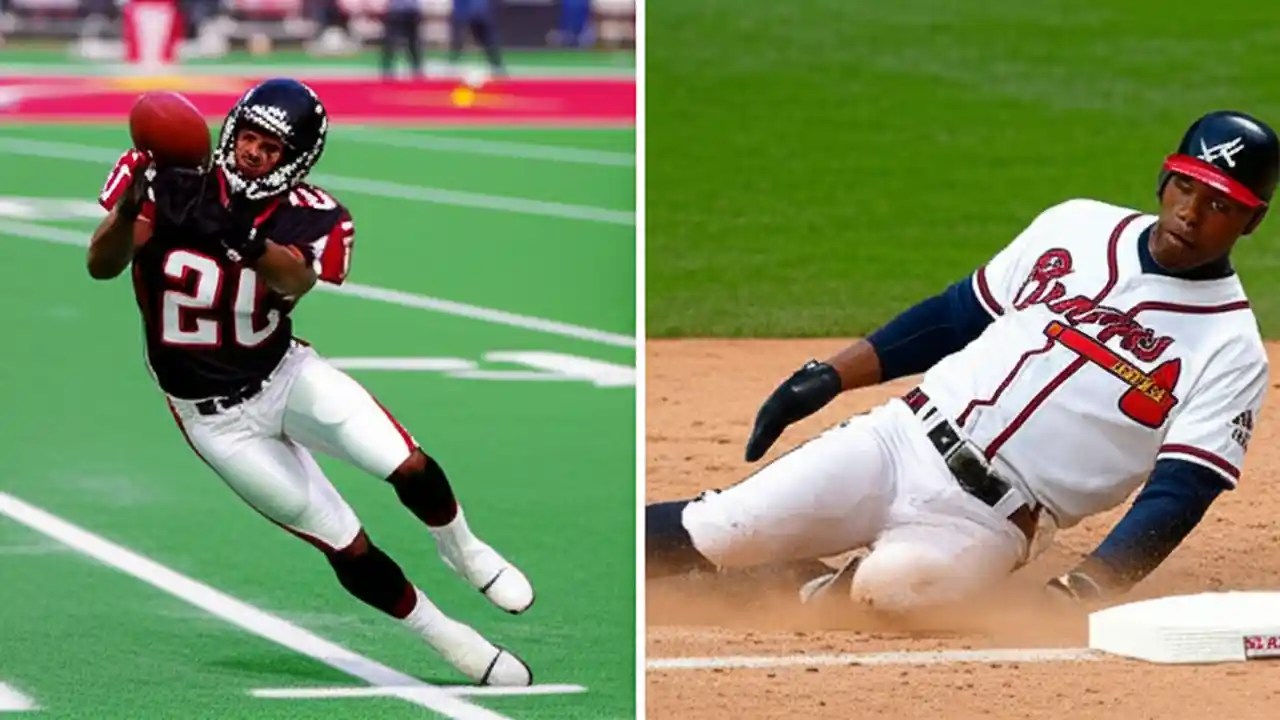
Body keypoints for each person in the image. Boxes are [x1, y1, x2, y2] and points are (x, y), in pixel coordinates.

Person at [647, 110, 1279, 611]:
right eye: (1185, 187)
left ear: (1252, 222)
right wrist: (831, 375)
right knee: (721, 527)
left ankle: (791, 582)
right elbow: (957, 314)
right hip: (901, 442)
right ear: (1164, 181)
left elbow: (1181, 490)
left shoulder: (1230, 348)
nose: (1191, 213)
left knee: (889, 595)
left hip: (993, 521)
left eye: (1220, 204)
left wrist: (1092, 586)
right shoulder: (1077, 226)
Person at [88, 78, 534, 685]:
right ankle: (451, 641)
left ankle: (463, 548)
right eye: (247, 137)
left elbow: (295, 282)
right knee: (347, 546)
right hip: (214, 420)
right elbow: (103, 265)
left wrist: (238, 233)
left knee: (409, 466)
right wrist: (127, 206)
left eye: (270, 147)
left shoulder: (314, 212)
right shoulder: (171, 182)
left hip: (284, 376)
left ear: (295, 160)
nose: (251, 153)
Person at [450, 0, 505, 77]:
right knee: (458, 38)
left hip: (481, 12)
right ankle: (453, 63)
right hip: (465, 11)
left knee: (488, 39)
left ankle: (496, 65)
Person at [380, 0, 424, 80]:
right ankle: (387, 70)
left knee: (413, 44)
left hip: (410, 12)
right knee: (390, 45)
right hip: (396, 11)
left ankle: (416, 70)